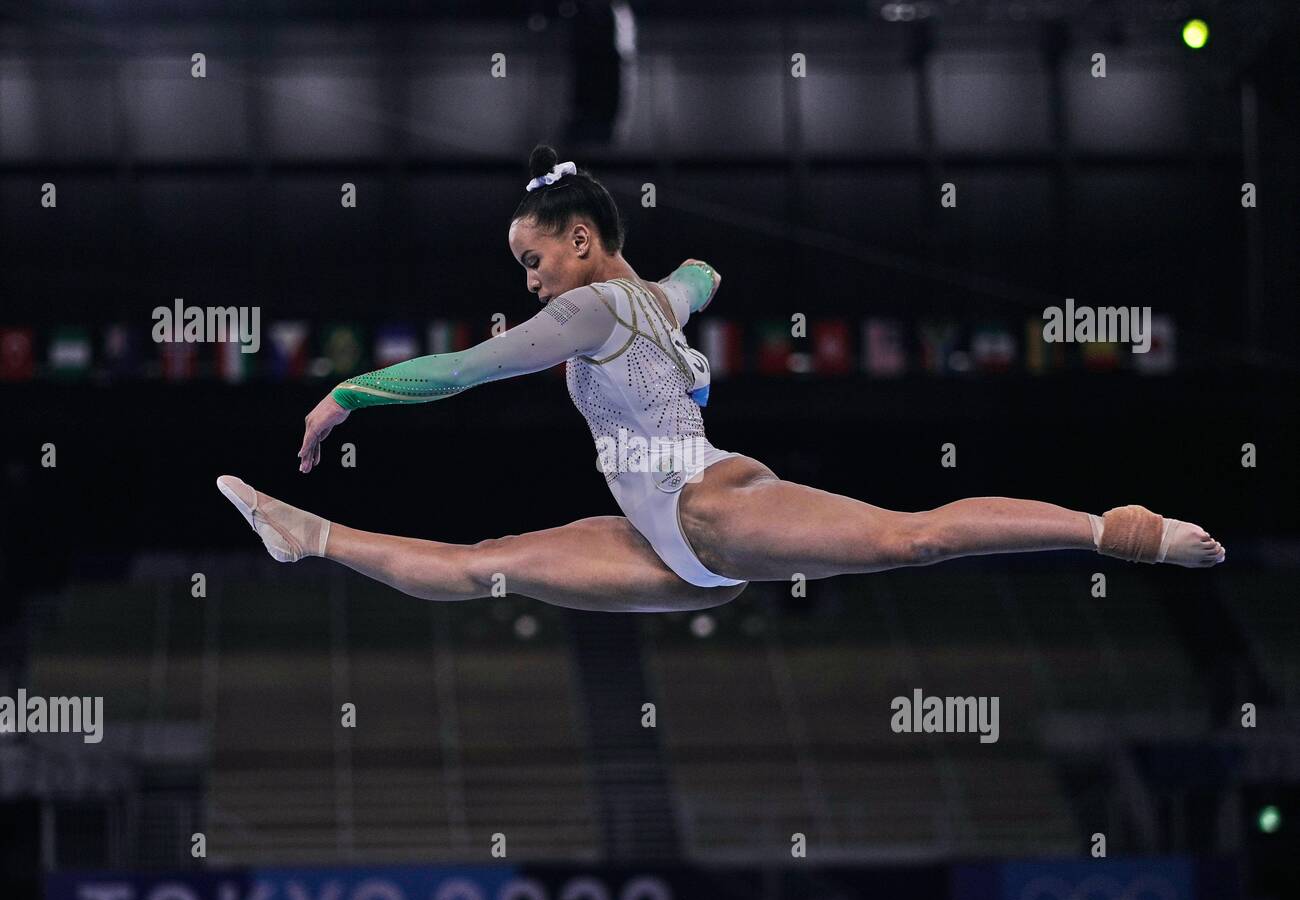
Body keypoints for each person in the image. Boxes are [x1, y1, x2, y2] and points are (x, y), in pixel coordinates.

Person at [217, 144, 1224, 614]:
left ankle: (1115, 532)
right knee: (486, 563)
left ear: (577, 240)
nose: (528, 282)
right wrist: (678, 283)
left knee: (909, 539)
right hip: (671, 548)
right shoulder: (651, 298)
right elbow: (701, 274)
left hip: (709, 510)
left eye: (533, 259)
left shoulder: (588, 311)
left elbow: (464, 371)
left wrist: (347, 394)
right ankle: (310, 534)